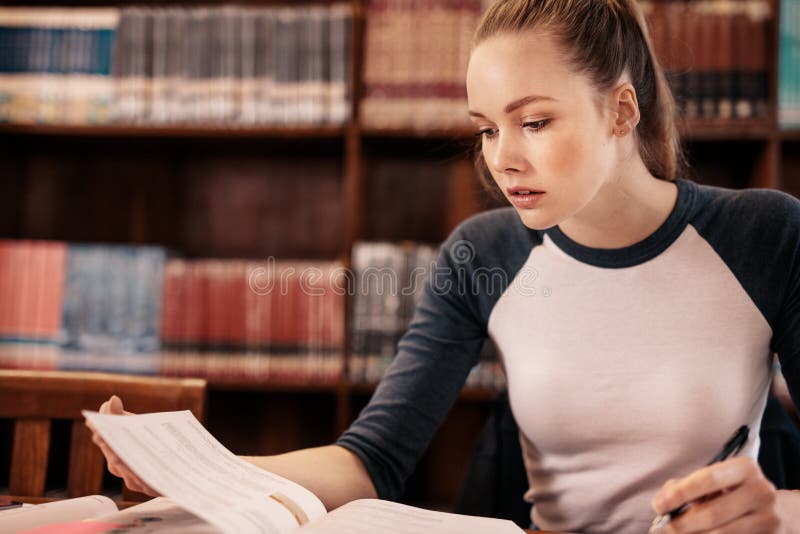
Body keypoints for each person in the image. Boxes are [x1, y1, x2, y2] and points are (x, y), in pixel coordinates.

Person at [88, 0, 800, 532]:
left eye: (534, 122)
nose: (503, 159)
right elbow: (371, 459)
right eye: (487, 129)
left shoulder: (765, 235)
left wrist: (781, 511)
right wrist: (196, 472)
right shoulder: (482, 253)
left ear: (620, 112)